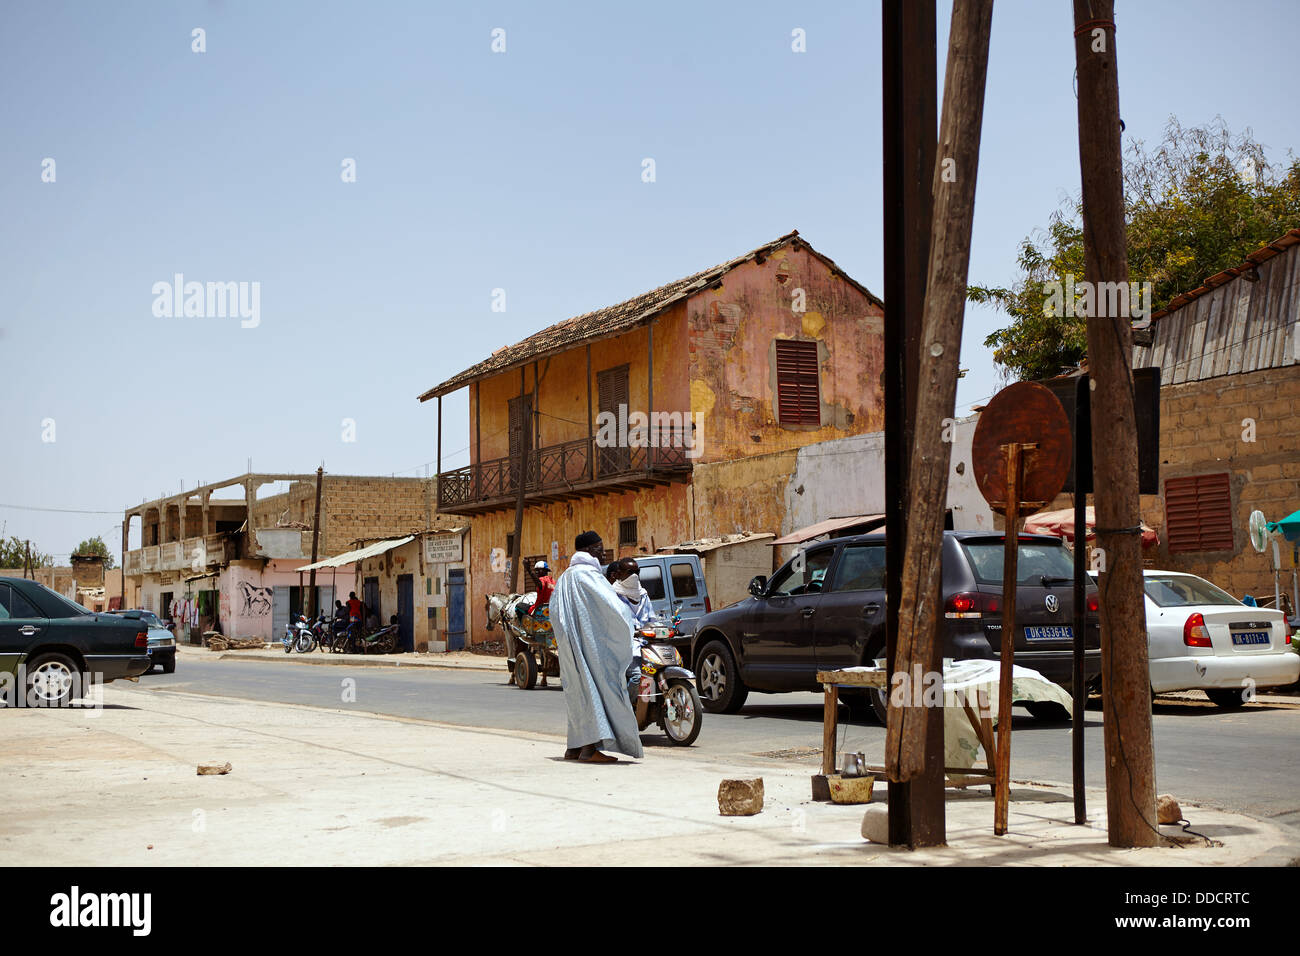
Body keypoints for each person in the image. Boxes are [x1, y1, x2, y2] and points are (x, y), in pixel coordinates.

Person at [550, 531, 643, 764]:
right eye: (600, 548)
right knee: (595, 691)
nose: (603, 552)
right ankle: (589, 750)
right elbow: (612, 607)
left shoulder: (565, 577)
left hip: (570, 646)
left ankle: (574, 747)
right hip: (588, 649)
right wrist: (626, 623)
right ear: (590, 550)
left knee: (577, 694)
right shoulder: (588, 575)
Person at [612, 558, 654, 625]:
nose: (634, 576)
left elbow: (652, 620)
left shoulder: (643, 595)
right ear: (619, 574)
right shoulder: (613, 595)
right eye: (630, 572)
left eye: (637, 572)